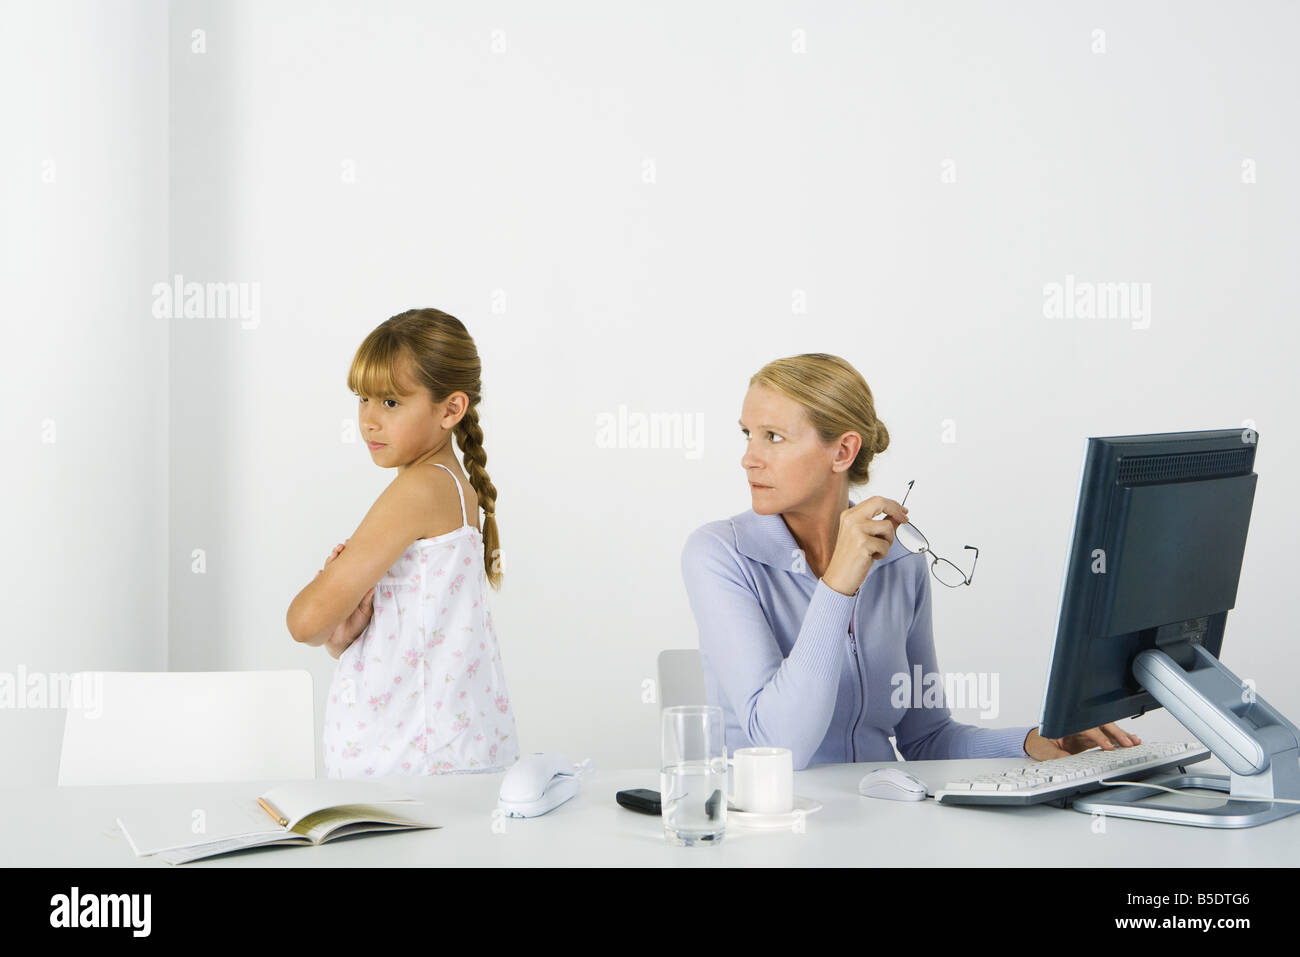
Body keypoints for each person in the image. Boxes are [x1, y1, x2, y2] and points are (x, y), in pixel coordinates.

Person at [680, 353, 1140, 771]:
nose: (748, 459)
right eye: (748, 434)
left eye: (773, 437)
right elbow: (780, 747)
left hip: (884, 821)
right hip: (772, 833)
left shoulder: (900, 564)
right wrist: (838, 585)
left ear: (842, 451)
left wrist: (1036, 742)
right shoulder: (720, 555)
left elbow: (926, 738)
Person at [286, 308, 519, 777]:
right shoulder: (452, 484)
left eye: (391, 403)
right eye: (363, 398)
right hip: (446, 748)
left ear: (451, 409)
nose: (369, 420)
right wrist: (347, 635)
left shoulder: (416, 490)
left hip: (408, 761)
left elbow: (304, 623)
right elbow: (412, 629)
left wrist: (327, 597)